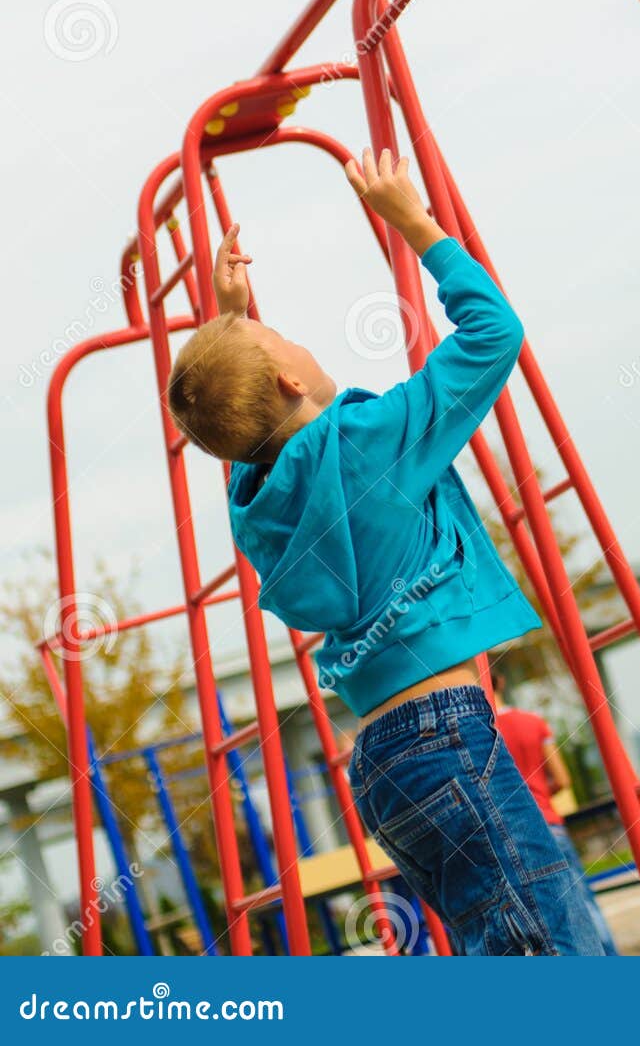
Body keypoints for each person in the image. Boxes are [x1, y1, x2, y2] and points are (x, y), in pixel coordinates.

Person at [167, 148, 602, 956]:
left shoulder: (256, 507)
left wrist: (230, 320)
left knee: (528, 945)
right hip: (446, 734)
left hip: (382, 763)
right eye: (282, 338)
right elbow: (491, 334)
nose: (297, 345)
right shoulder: (370, 444)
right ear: (293, 380)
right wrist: (415, 224)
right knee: (554, 954)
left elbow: (254, 435)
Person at [491, 666, 619, 954]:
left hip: (505, 832)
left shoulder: (483, 735)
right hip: (548, 823)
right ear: (502, 681)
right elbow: (562, 779)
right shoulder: (534, 723)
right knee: (582, 902)